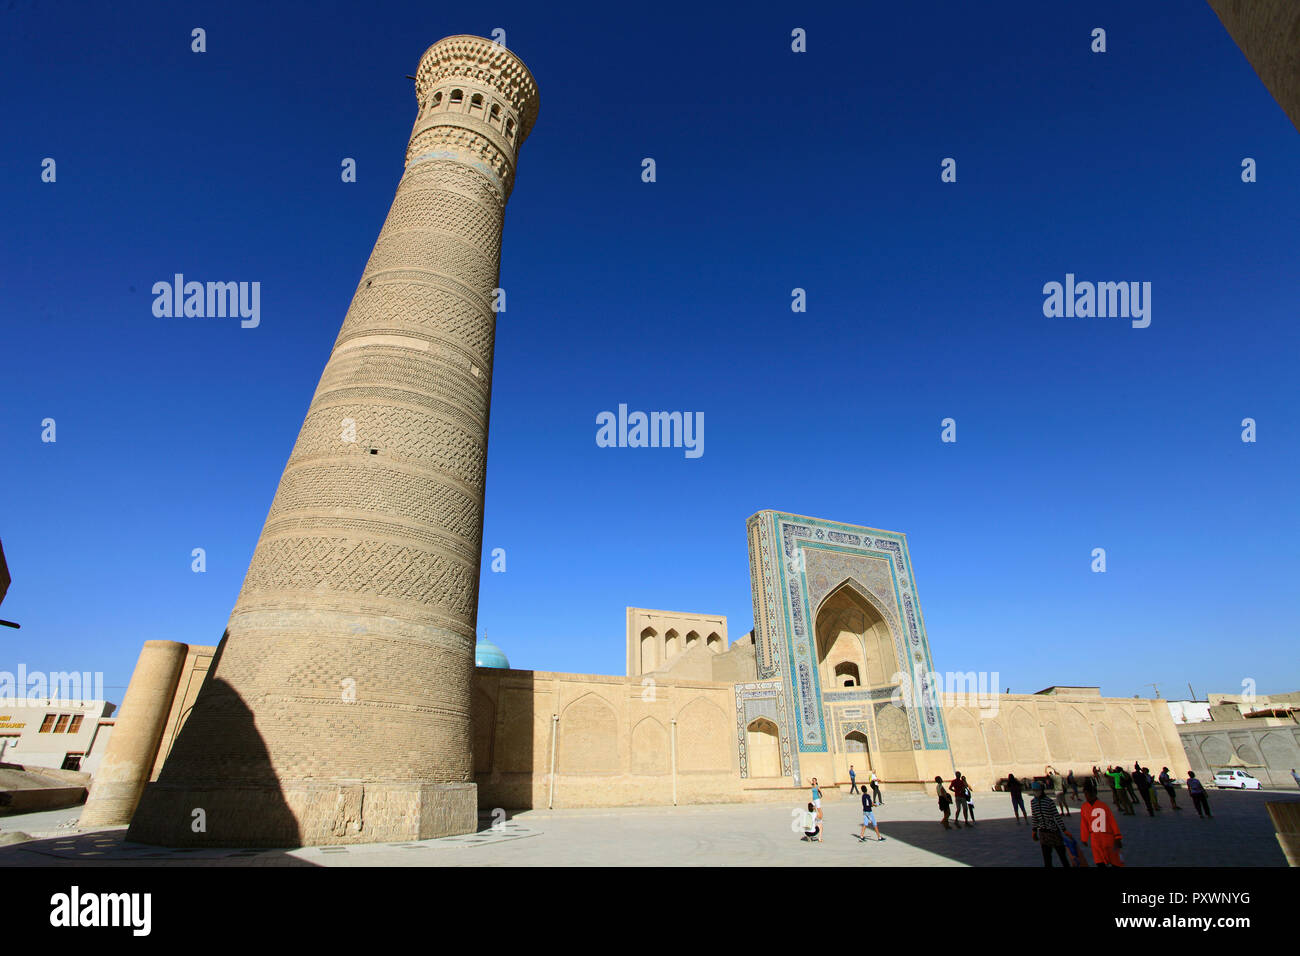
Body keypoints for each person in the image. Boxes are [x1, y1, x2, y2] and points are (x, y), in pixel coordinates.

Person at [1079, 778, 1124, 866]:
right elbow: (1084, 824)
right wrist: (1117, 836)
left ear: (1094, 794)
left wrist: (1084, 838)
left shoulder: (1085, 807)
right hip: (1099, 838)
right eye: (1086, 795)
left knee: (1111, 860)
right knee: (1103, 861)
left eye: (1088, 794)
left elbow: (1111, 822)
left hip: (1103, 837)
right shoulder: (1103, 805)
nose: (1087, 797)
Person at [1030, 781, 1070, 866]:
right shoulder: (1033, 802)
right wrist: (1034, 831)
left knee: (1062, 856)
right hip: (1043, 834)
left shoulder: (1049, 801)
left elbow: (1056, 816)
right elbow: (1034, 817)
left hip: (1053, 832)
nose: (1035, 792)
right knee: (1047, 858)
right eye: (1034, 790)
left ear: (1041, 790)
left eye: (1037, 790)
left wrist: (1064, 829)